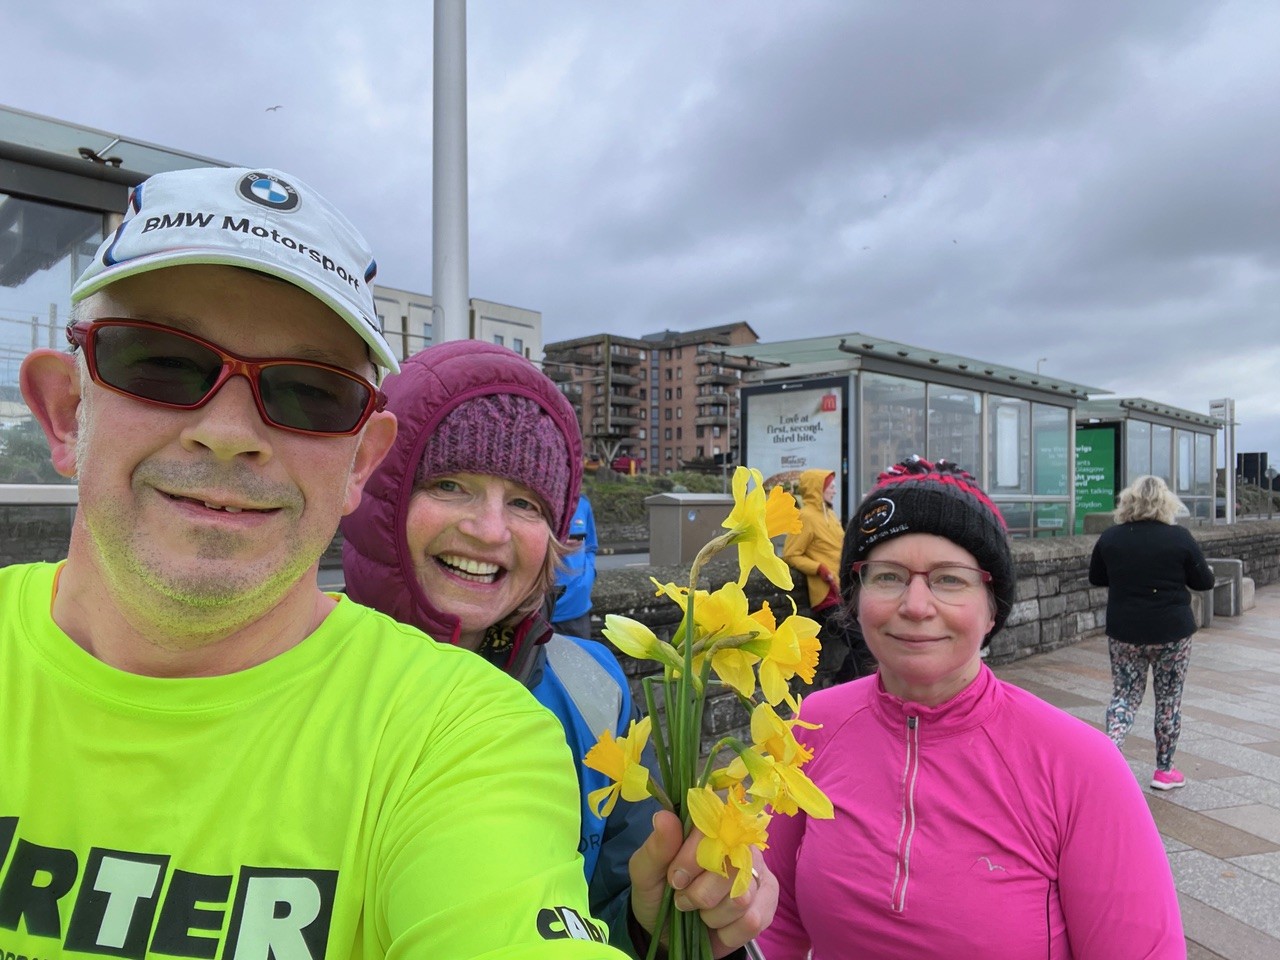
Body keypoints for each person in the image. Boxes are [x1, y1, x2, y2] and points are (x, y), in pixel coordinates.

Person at [6, 166, 627, 960]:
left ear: (362, 463)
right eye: (161, 363)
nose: (228, 432)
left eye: (309, 393)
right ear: (66, 411)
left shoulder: (468, 733)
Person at [340, 340, 776, 958]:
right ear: (378, 496)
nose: (490, 530)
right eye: (449, 484)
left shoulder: (589, 685)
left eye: (524, 503)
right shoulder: (290, 675)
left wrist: (659, 923)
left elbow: (608, 905)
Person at [759, 456, 1183, 959]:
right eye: (888, 576)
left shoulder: (1081, 766)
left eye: (950, 579)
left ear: (991, 608)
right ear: (856, 597)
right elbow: (771, 922)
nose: (916, 606)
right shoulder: (811, 727)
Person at [1089, 474, 1216, 791]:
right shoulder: (1179, 538)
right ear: (1166, 502)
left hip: (1125, 631)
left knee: (1124, 696)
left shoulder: (1111, 538)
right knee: (1169, 701)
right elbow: (1204, 582)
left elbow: (1096, 577)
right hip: (1171, 633)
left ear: (1129, 501)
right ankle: (1164, 770)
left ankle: (1109, 758)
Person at [780, 468, 874, 682]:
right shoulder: (806, 516)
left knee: (869, 642)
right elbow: (791, 555)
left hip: (843, 591)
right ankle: (839, 685)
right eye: (830, 486)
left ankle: (843, 684)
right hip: (827, 597)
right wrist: (819, 569)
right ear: (817, 489)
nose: (834, 490)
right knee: (864, 644)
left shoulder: (829, 515)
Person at [551, 493, 598, 639]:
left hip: (578, 608)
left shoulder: (583, 503)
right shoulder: (536, 500)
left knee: (580, 654)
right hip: (541, 609)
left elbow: (590, 546)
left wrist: (588, 574)